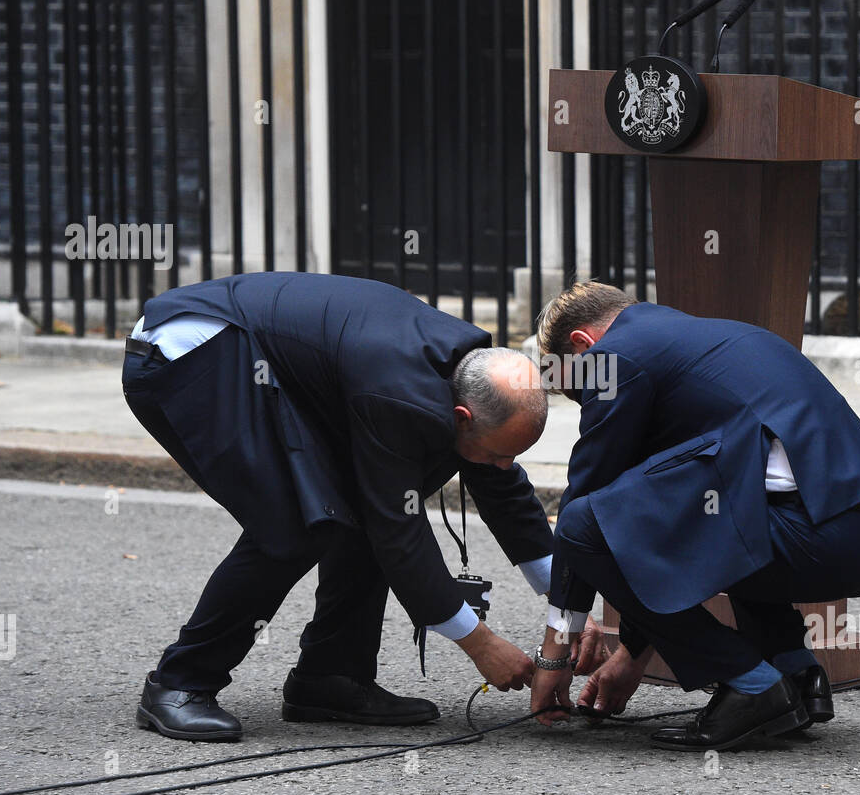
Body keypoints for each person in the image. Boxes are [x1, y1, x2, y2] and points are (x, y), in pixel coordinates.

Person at [122, 271, 588, 742]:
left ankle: (331, 678)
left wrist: (572, 604)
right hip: (192, 351)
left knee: (356, 511)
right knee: (290, 529)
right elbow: (399, 531)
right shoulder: (400, 396)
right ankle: (178, 683)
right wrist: (480, 644)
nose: (503, 466)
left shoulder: (471, 380)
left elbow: (504, 494)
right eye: (497, 453)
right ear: (461, 417)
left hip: (264, 357)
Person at [527, 281, 860, 751]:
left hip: (817, 539)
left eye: (579, 389)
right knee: (718, 508)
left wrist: (555, 652)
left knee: (582, 524)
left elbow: (585, 507)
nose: (586, 399)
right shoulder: (709, 339)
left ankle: (753, 686)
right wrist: (633, 653)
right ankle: (795, 674)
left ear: (582, 345)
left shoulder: (619, 357)